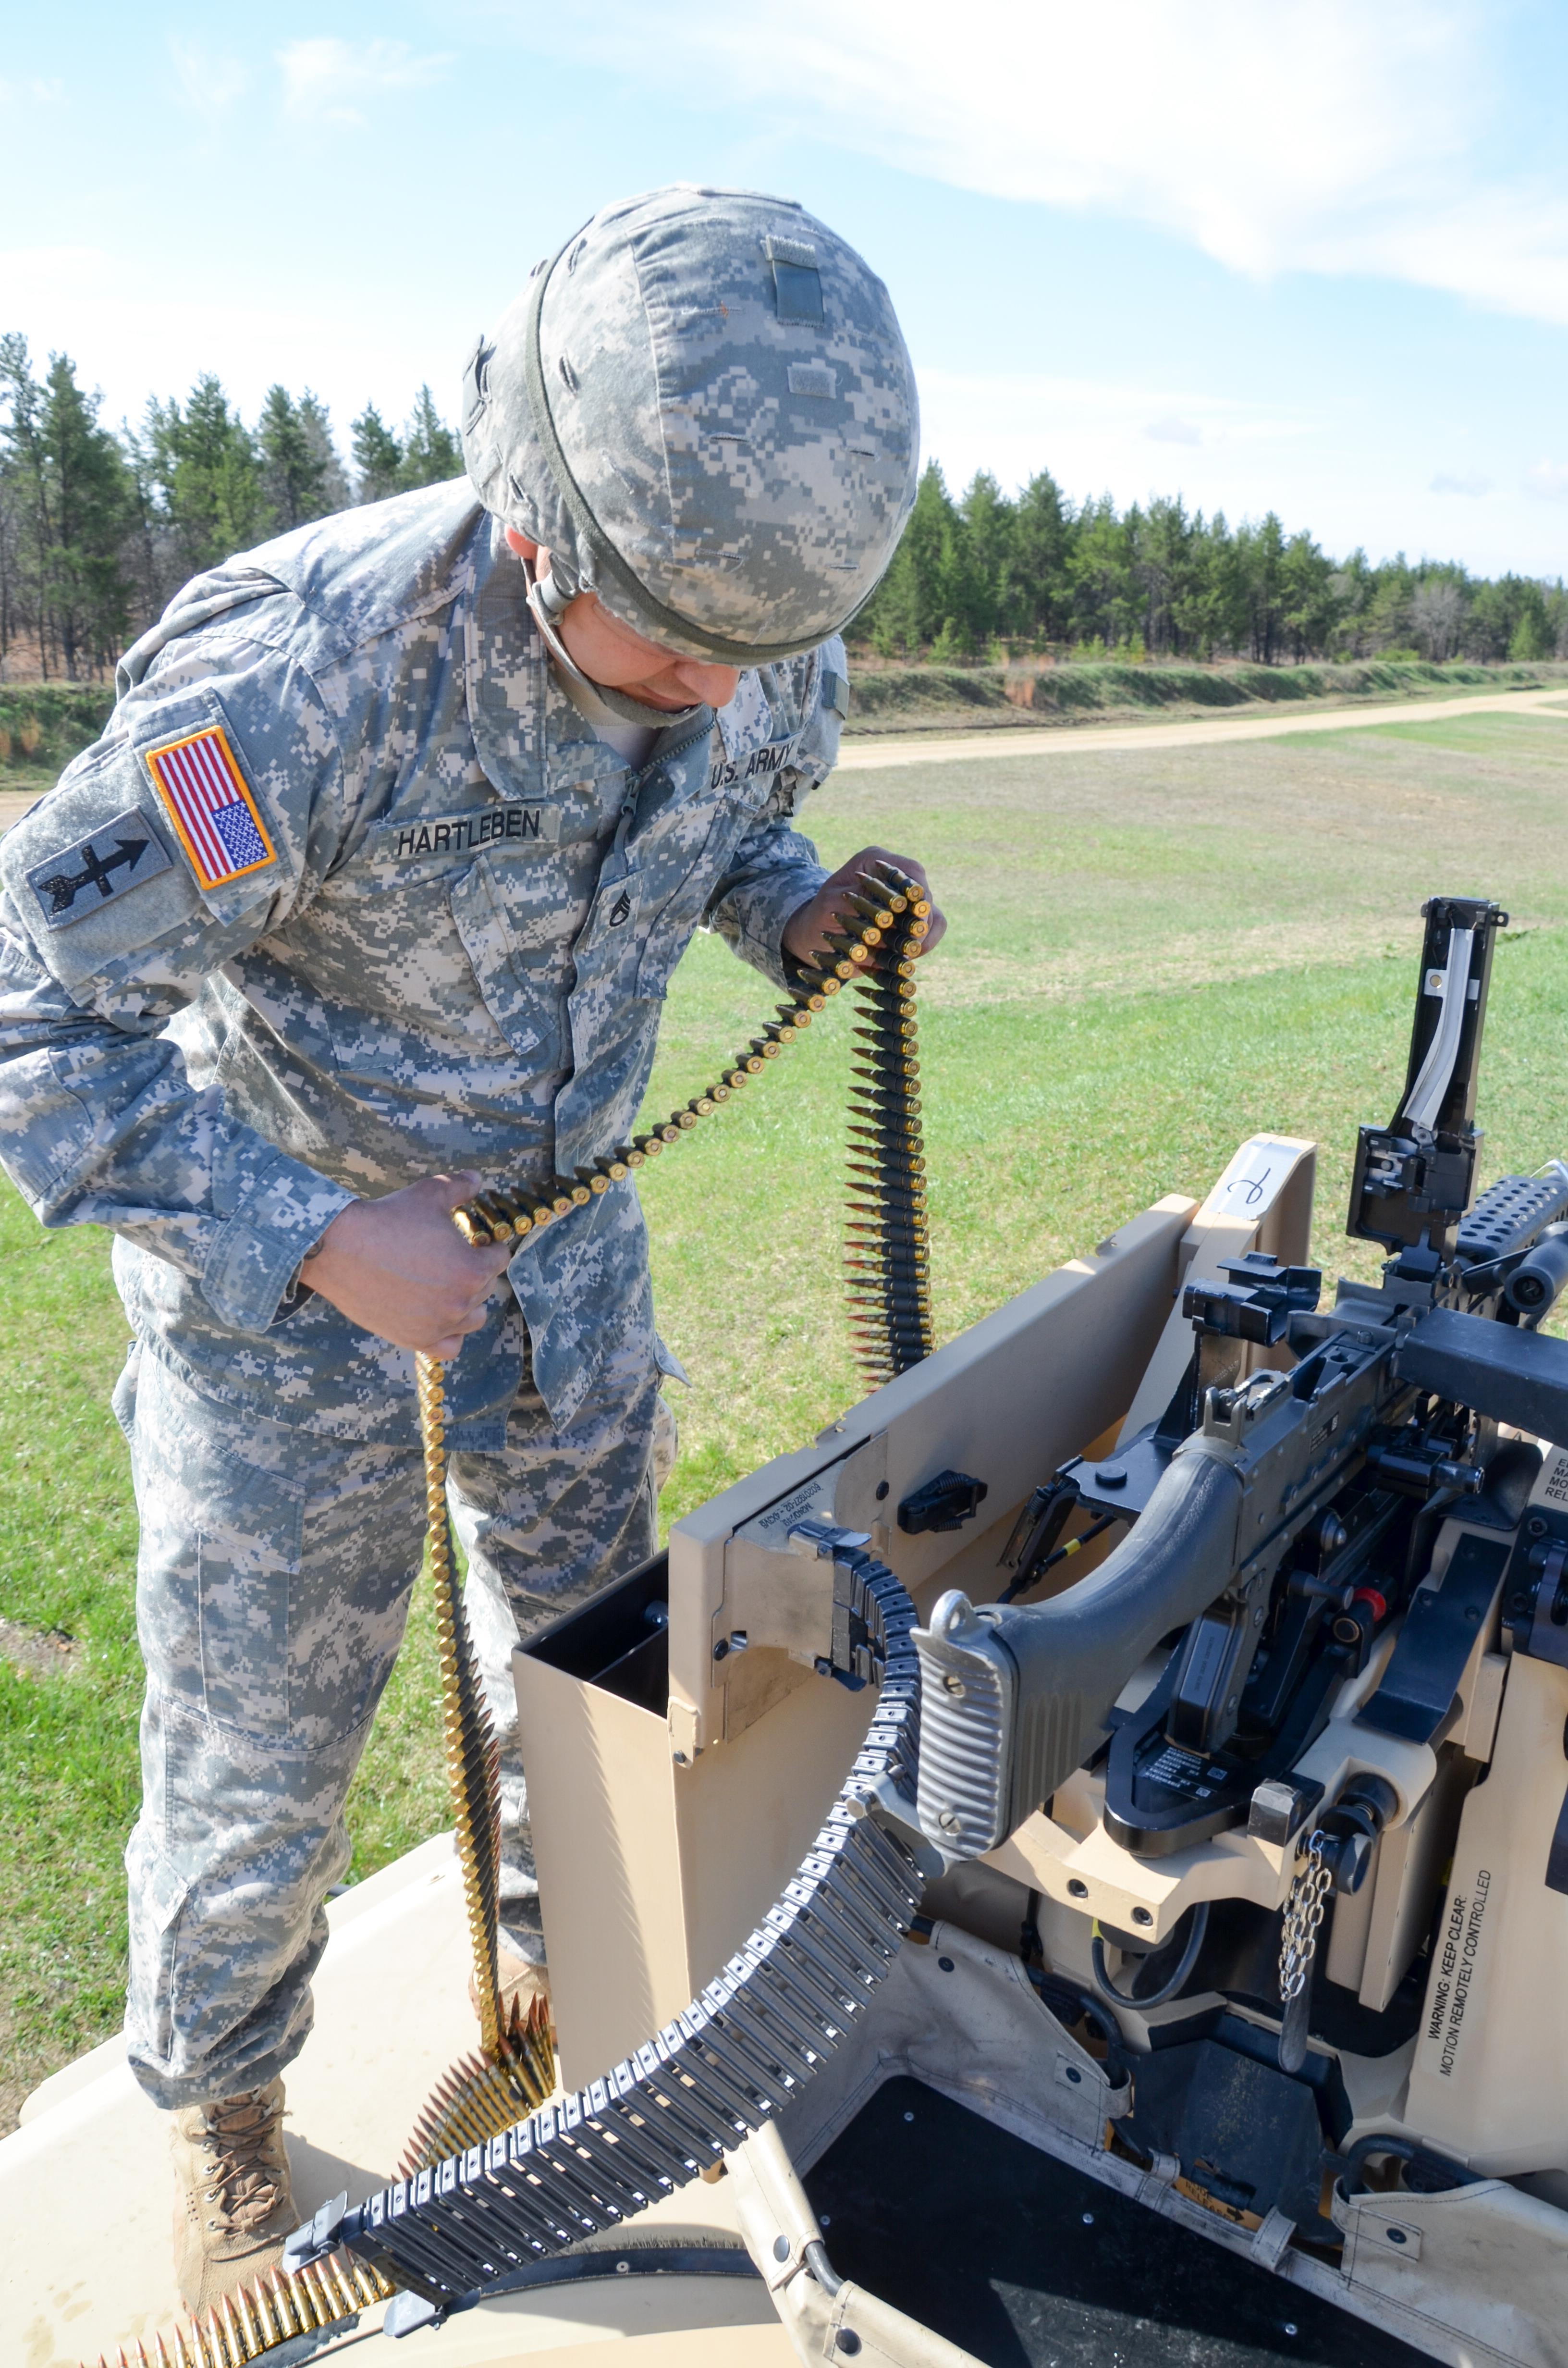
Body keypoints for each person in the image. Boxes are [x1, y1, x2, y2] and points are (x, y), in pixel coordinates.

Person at [0, 184, 942, 2312]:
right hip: (288, 1313)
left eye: (758, 649)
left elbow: (714, 806)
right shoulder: (304, 680)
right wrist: (317, 1236)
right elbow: (30, 1017)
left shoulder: (756, 606)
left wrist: (785, 906)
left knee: (600, 1674)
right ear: (539, 508)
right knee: (260, 1753)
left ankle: (568, 2006)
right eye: (670, 637)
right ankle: (229, 2130)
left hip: (569, 1274)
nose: (716, 684)